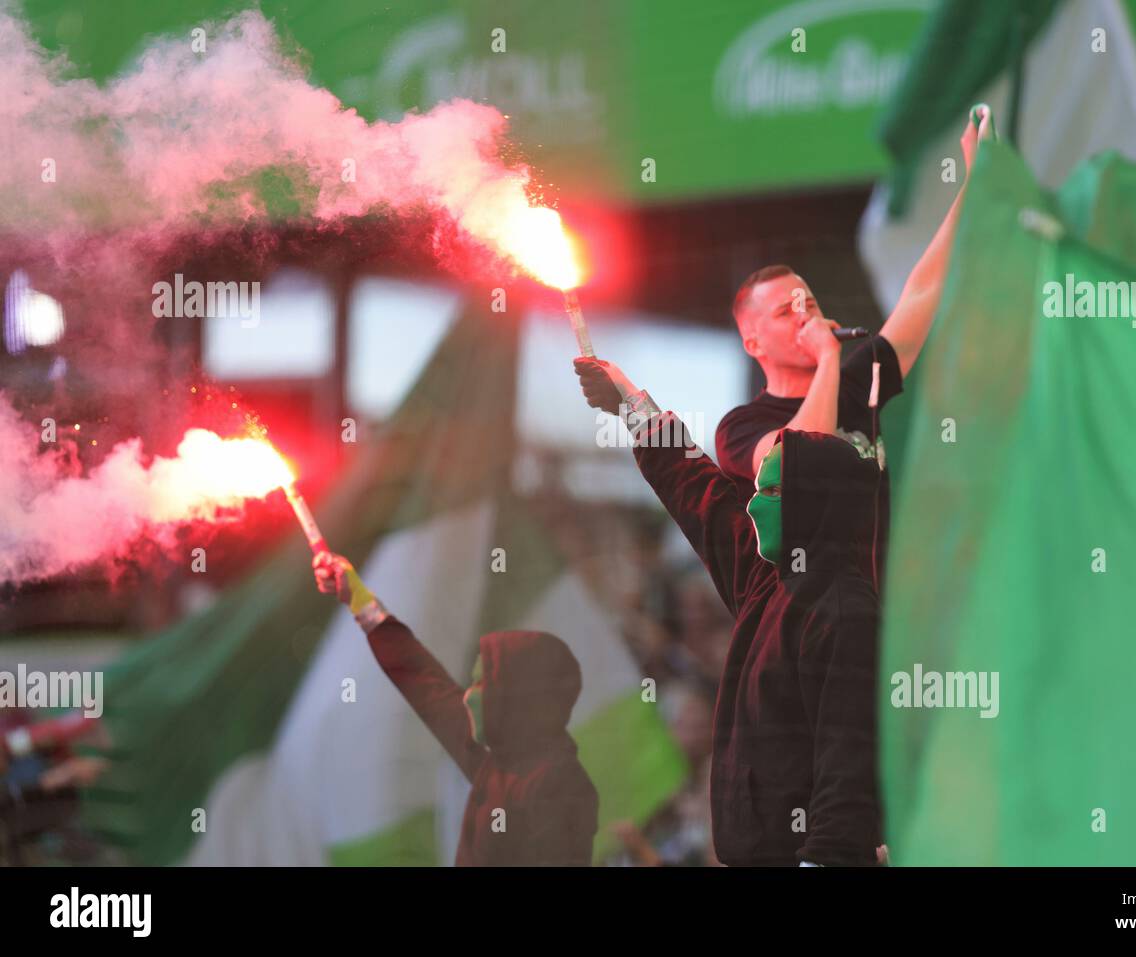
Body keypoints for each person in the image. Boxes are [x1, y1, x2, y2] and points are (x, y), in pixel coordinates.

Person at [573, 360, 886, 866]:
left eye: (770, 491)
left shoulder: (846, 614)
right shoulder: (769, 582)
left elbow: (847, 769)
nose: (754, 506)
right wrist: (630, 404)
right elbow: (701, 493)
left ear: (814, 503)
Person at [715, 113, 993, 582]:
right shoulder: (741, 427)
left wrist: (974, 184)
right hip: (807, 632)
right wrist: (828, 358)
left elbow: (923, 290)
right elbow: (800, 454)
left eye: (810, 304)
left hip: (874, 620)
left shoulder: (856, 383)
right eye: (786, 312)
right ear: (753, 342)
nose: (805, 315)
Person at [313, 551, 599, 866]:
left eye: (479, 684)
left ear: (514, 697)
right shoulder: (499, 762)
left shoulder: (555, 785)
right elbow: (424, 682)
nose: (465, 696)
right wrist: (358, 598)